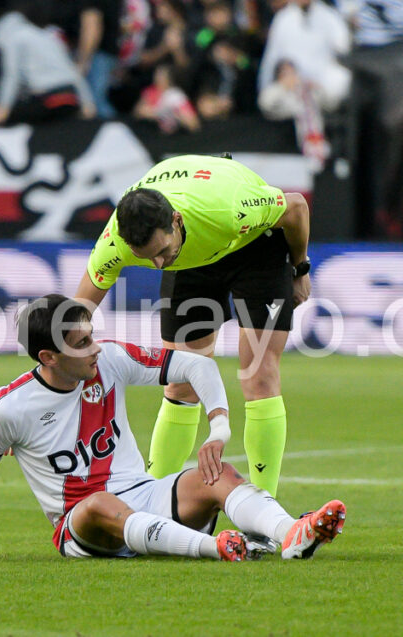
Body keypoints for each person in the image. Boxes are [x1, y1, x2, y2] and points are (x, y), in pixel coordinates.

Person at [0, 294, 346, 561]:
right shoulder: (4, 408)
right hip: (81, 525)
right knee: (99, 503)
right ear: (48, 357)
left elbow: (197, 366)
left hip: (145, 495)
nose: (95, 348)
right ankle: (216, 548)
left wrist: (218, 430)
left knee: (216, 474)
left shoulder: (111, 360)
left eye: (91, 336)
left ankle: (291, 533)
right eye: (82, 343)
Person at [74, 154, 311, 522]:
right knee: (180, 382)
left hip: (255, 246)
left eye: (161, 252)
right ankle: (150, 507)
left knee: (258, 375)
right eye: (146, 258)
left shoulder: (231, 208)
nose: (158, 265)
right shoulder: (116, 241)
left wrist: (300, 268)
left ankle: (264, 517)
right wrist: (43, 387)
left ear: (176, 221)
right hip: (193, 262)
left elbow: (296, 206)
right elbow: (76, 317)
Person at [0, 0, 95, 126]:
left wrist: (2, 108)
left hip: (48, 98)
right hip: (71, 96)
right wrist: (87, 102)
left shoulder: (14, 38)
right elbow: (71, 71)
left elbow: (11, 75)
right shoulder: (47, 35)